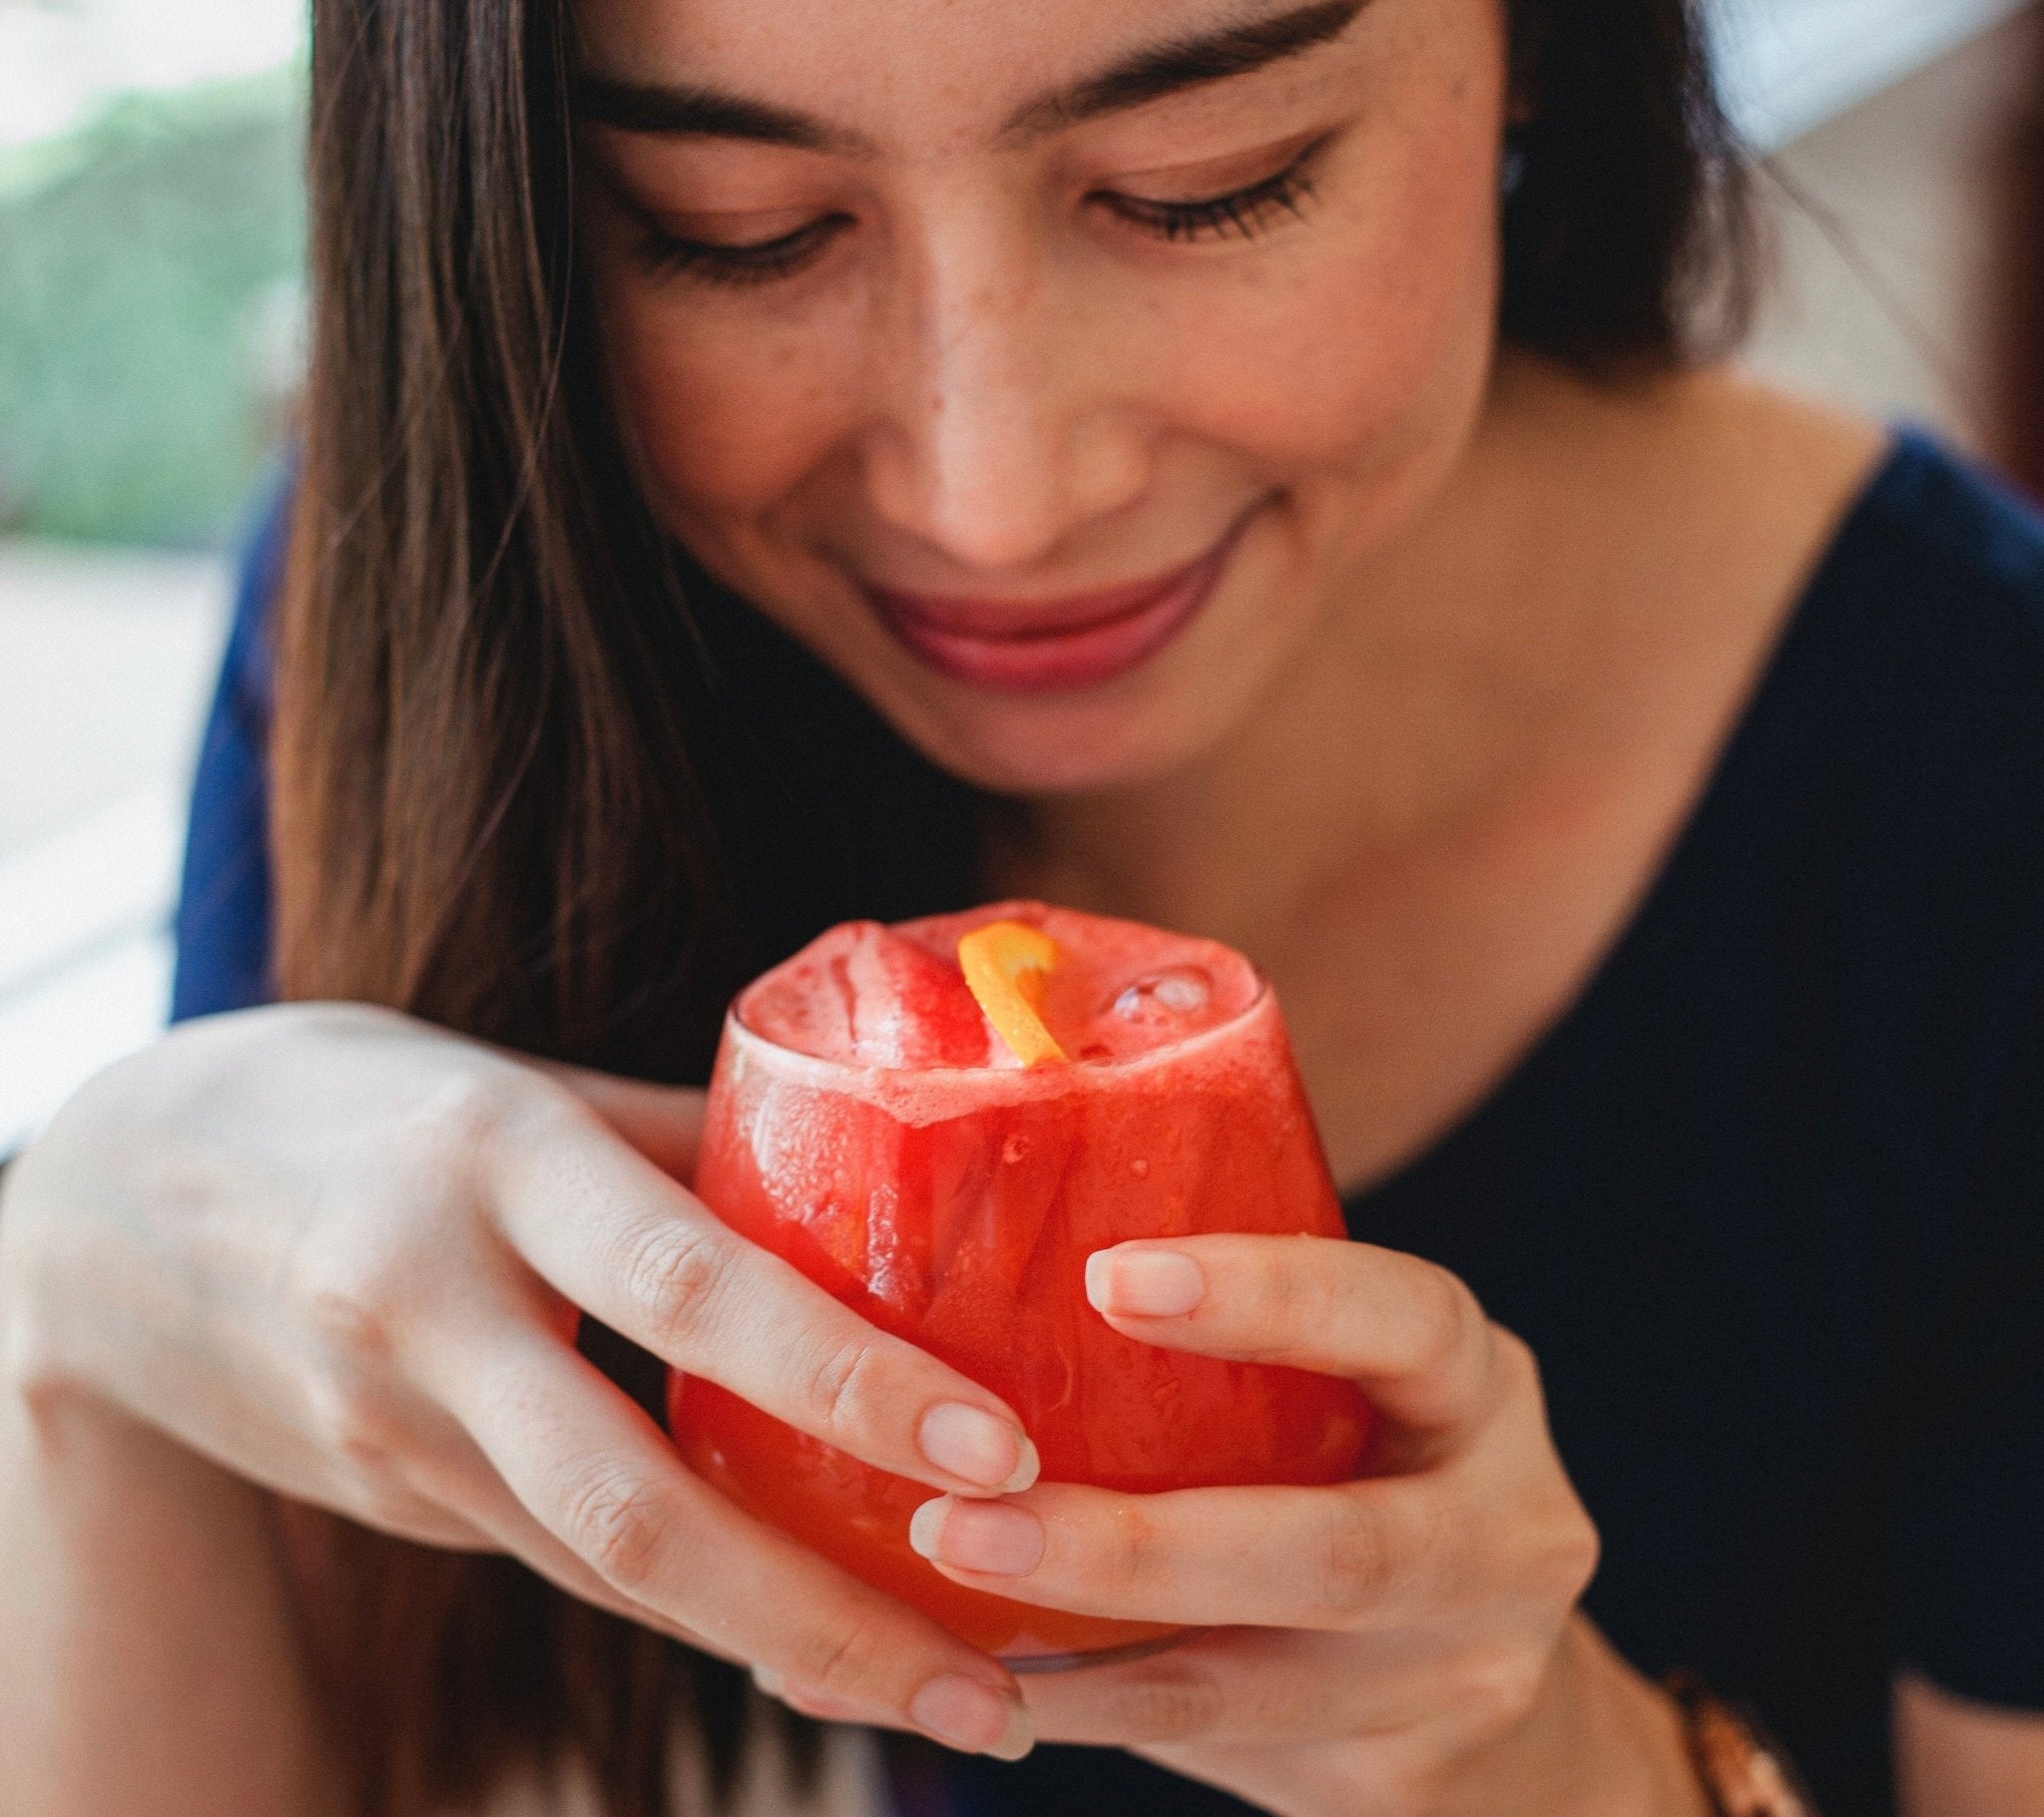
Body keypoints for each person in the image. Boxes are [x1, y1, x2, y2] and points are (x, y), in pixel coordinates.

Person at [2, 0, 2041, 1811]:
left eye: (1203, 188)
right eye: (731, 226)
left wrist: (1554, 1775)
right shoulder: (470, 622)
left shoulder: (1972, 796)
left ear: (1538, 46)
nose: (1000, 500)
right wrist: (81, 1311)